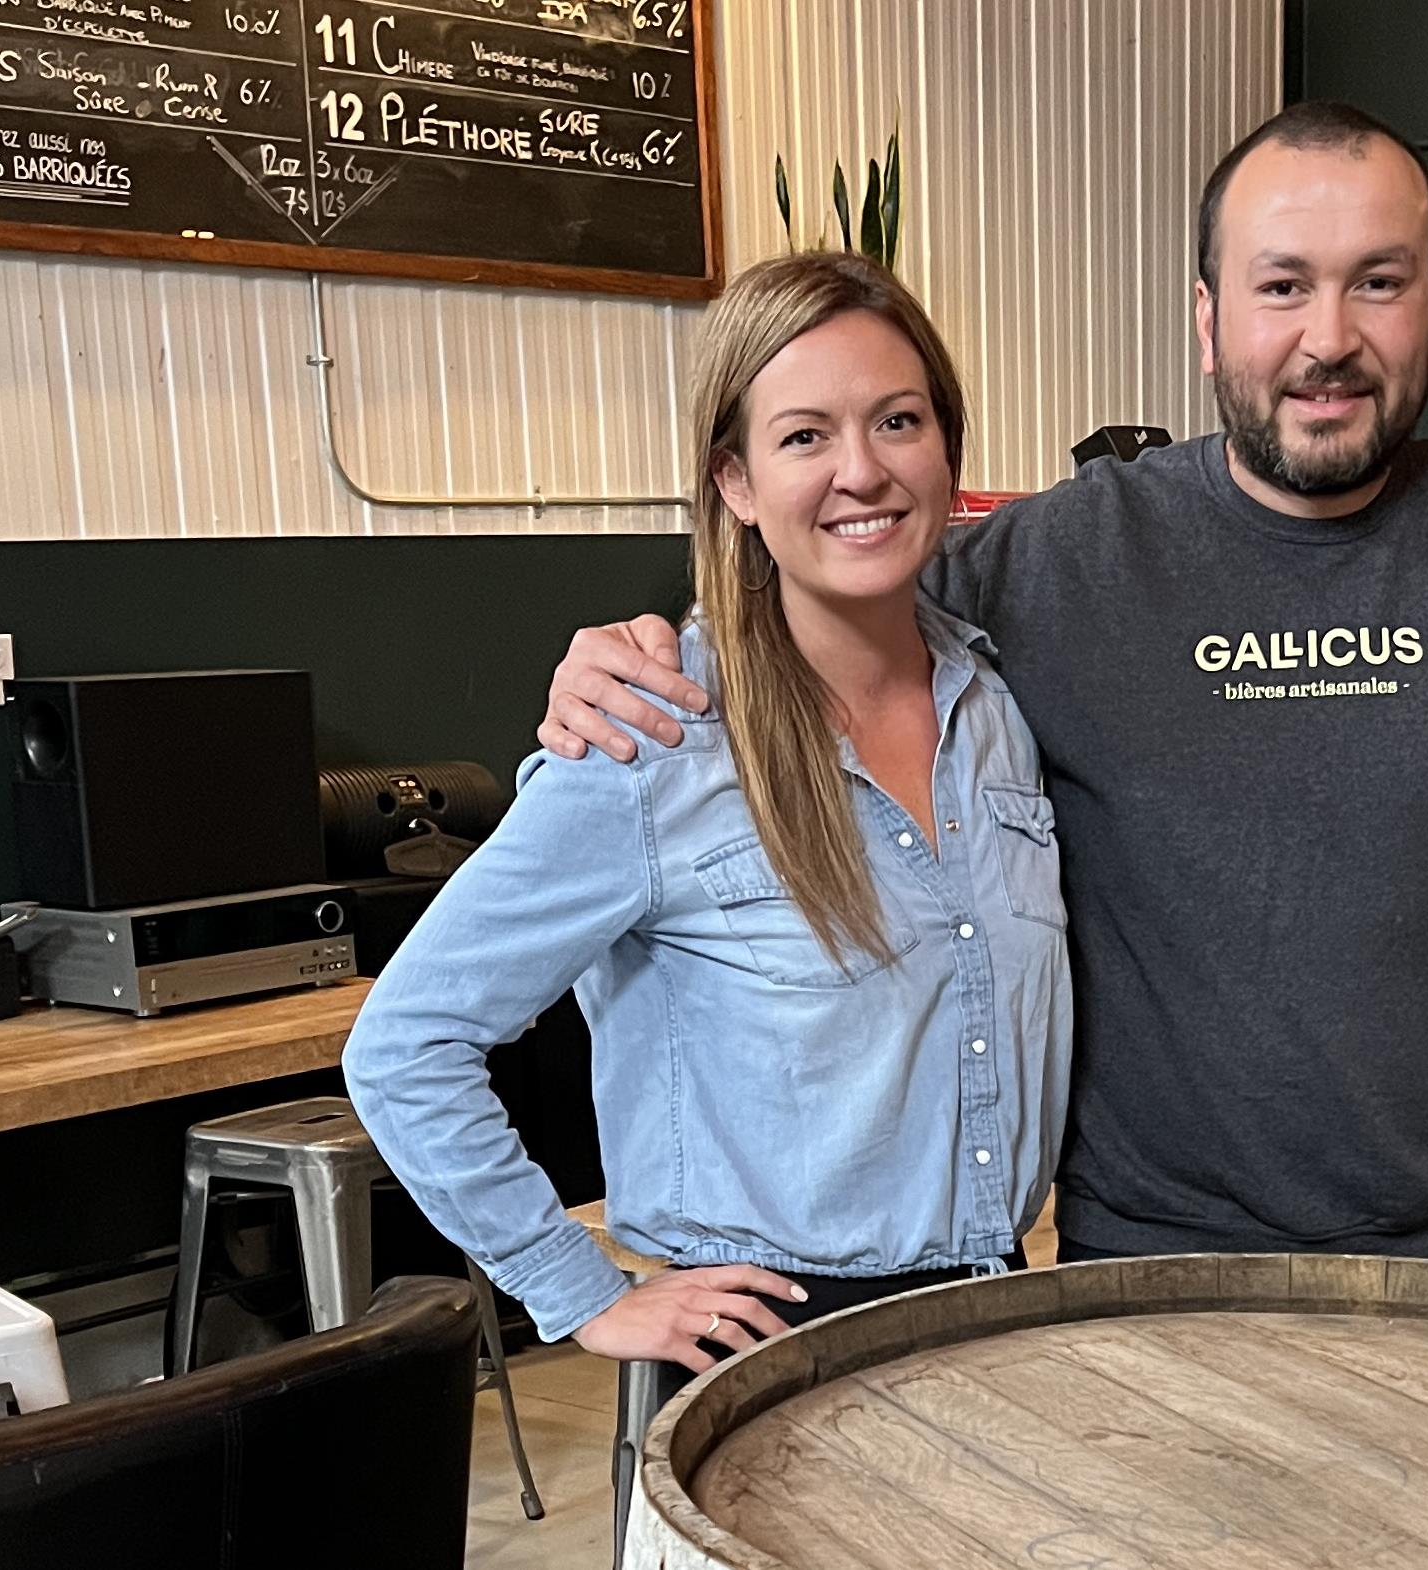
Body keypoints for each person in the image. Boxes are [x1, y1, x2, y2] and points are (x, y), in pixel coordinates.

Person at [537, 101, 1428, 1269]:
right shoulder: (1050, 561)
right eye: (1281, 287)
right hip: (1136, 1265)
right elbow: (823, 595)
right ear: (1207, 319)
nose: (1329, 338)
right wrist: (648, 657)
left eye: (1379, 283)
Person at [343, 250, 1070, 1374]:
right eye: (803, 437)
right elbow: (404, 1044)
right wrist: (576, 1289)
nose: (861, 471)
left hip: (989, 1325)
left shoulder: (1000, 708)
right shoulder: (649, 739)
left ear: (947, 451)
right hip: (762, 1351)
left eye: (897, 421)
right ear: (733, 482)